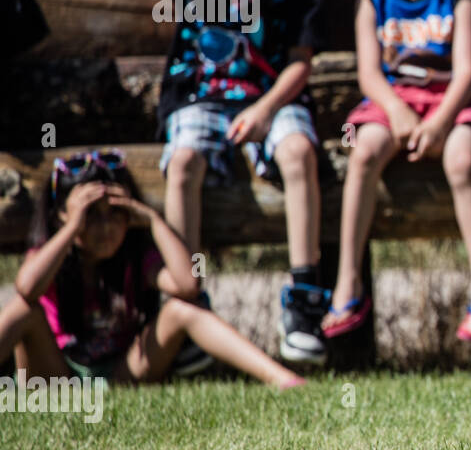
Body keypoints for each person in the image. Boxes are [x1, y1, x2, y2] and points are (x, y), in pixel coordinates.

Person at [122, 0, 330, 364]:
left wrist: (265, 110)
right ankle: (193, 312)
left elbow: (299, 63)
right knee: (184, 161)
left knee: (299, 151)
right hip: (197, 99)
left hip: (271, 98)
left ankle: (305, 305)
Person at [322, 0, 471, 344]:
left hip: (450, 101)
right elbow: (369, 75)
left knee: (461, 160)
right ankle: (347, 283)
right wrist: (399, 115)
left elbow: (465, 73)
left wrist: (439, 124)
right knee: (363, 153)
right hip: (392, 100)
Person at [0, 151, 302, 389]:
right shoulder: (54, 255)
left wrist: (154, 220)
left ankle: (284, 380)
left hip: (122, 374)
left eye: (115, 214)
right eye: (91, 215)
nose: (105, 227)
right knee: (21, 309)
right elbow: (27, 288)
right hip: (55, 378)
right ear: (60, 216)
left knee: (182, 309)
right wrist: (72, 227)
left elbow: (187, 286)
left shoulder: (136, 258)